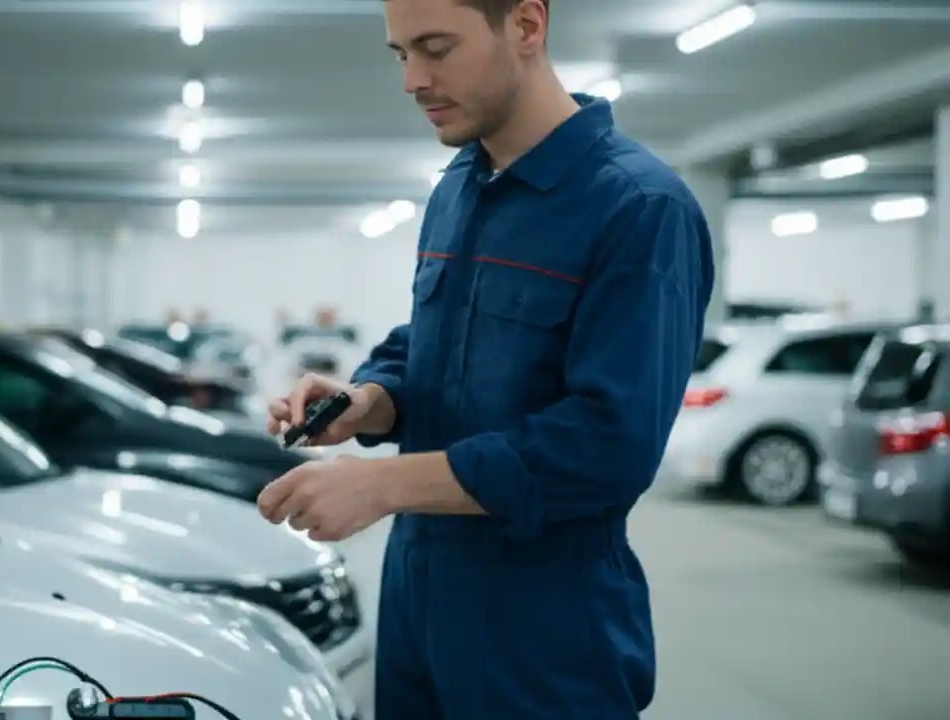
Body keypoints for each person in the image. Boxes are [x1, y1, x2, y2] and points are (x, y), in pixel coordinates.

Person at [258, 0, 715, 717]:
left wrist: (384, 486)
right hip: (419, 600)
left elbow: (610, 445)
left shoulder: (639, 208)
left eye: (435, 47)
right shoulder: (459, 188)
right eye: (400, 53)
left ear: (527, 27)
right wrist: (369, 400)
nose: (412, 78)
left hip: (547, 624)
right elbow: (428, 348)